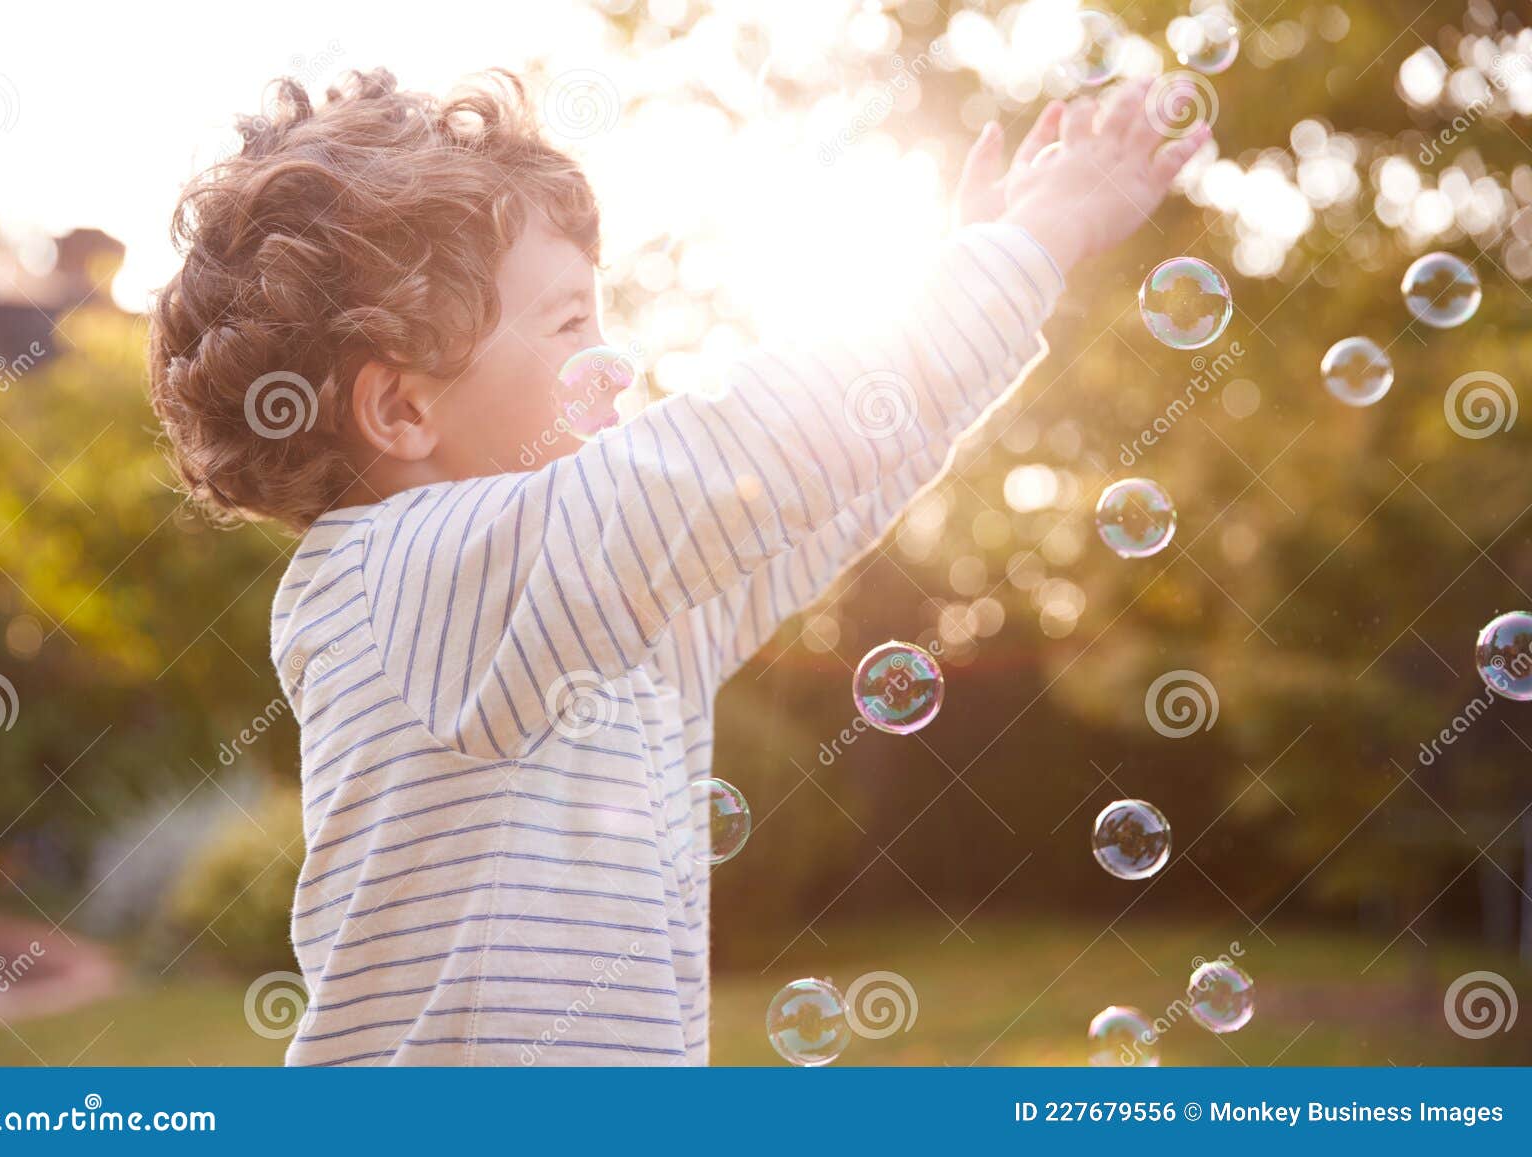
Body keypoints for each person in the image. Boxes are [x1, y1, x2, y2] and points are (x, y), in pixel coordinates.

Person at [147, 66, 1209, 1066]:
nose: (621, 356)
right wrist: (1031, 242)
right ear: (403, 406)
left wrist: (978, 285)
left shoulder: (590, 607)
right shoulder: (393, 576)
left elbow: (803, 498)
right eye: (570, 322)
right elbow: (729, 454)